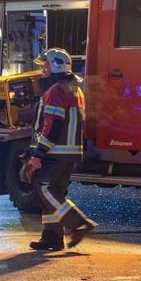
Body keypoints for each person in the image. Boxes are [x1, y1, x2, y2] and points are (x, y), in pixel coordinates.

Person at [21, 48, 97, 251]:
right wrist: (32, 150)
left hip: (57, 151)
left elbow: (52, 125)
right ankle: (51, 237)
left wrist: (38, 155)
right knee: (54, 192)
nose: (42, 70)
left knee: (43, 187)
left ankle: (79, 224)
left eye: (45, 66)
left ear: (55, 66)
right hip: (68, 150)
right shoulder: (72, 88)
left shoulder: (56, 90)